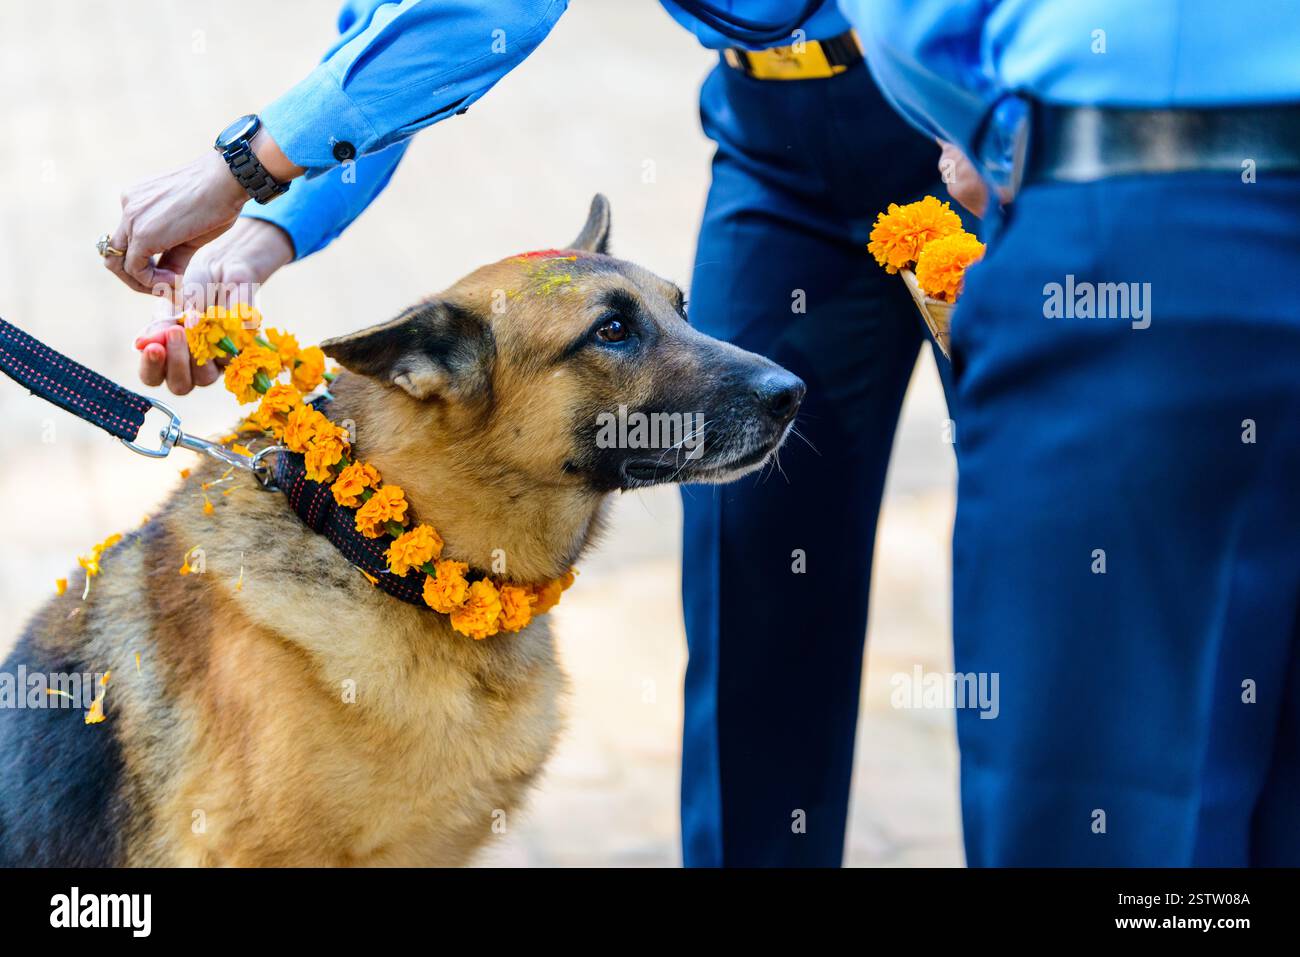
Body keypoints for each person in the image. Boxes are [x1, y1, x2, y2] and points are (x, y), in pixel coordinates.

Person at [104, 0, 954, 866]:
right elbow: (398, 53)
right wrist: (261, 237)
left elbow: (482, 12)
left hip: (978, 110)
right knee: (758, 586)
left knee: (1040, 552)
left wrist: (244, 162)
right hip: (778, 131)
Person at [837, 0, 1300, 865]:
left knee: (1112, 812)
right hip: (1137, 221)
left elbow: (915, 24)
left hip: (1136, 215)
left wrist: (1003, 134)